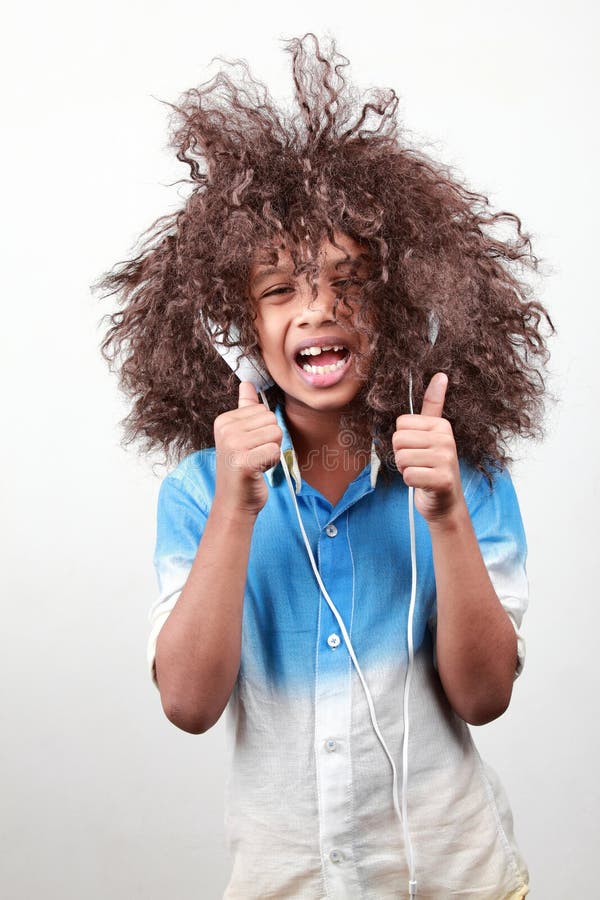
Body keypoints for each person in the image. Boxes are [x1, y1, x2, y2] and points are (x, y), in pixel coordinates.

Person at [97, 33, 554, 900]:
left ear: (402, 306)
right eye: (279, 289)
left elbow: (485, 697)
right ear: (240, 331)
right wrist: (236, 509)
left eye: (350, 281)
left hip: (459, 880)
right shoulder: (200, 492)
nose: (317, 309)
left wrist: (447, 516)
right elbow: (188, 705)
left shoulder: (463, 477)